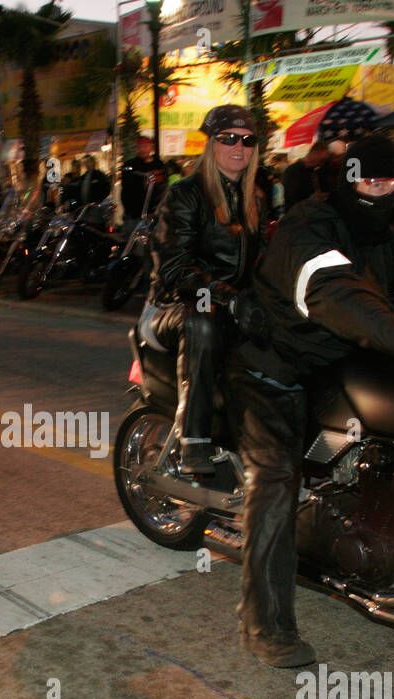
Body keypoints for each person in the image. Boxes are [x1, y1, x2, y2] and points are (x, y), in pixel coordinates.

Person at [229, 133, 394, 669]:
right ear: (347, 181)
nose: (383, 193)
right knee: (275, 479)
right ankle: (265, 623)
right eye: (371, 182)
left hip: (349, 364)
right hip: (277, 366)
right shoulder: (307, 226)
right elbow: (342, 296)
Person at [148, 104, 267, 476]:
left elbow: (265, 262)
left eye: (248, 140)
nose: (239, 147)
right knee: (204, 321)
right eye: (228, 138)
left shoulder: (257, 199)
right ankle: (194, 438)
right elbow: (175, 269)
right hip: (177, 306)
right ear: (211, 143)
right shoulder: (185, 194)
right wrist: (229, 298)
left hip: (233, 307)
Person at [120, 136, 167, 229]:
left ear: (151, 147)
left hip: (153, 213)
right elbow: (126, 189)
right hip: (134, 214)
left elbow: (162, 187)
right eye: (139, 147)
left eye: (145, 146)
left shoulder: (159, 165)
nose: (142, 149)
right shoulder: (130, 165)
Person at [280, 142, 329, 213]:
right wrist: (312, 199)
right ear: (315, 153)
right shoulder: (293, 170)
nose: (321, 163)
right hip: (297, 215)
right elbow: (291, 196)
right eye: (322, 159)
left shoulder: (313, 171)